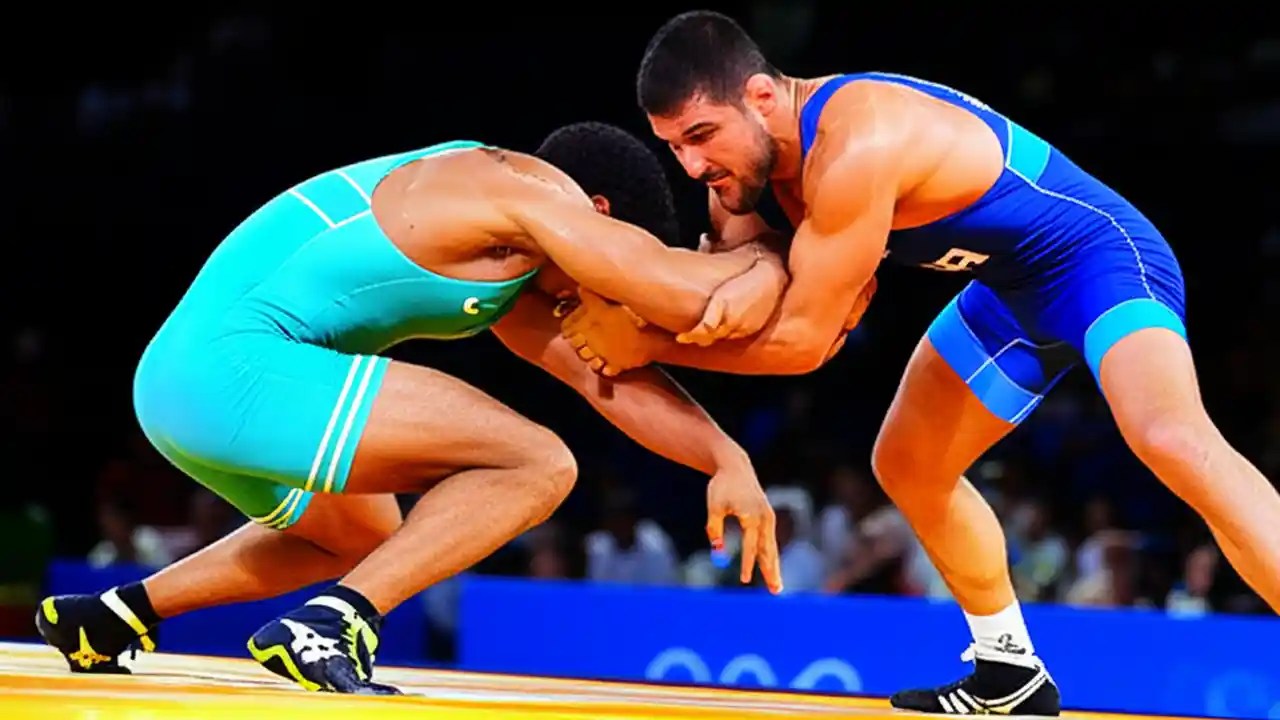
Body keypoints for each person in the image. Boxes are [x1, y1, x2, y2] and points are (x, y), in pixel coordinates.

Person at [557, 10, 1280, 716]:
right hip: (1008, 290)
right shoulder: (744, 179)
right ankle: (1011, 673)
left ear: (763, 96)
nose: (692, 166)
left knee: (1171, 437)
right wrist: (697, 295)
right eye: (675, 146)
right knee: (908, 464)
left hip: (1099, 258)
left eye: (702, 136)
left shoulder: (857, 142)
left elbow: (805, 344)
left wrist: (651, 342)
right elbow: (720, 287)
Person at [34, 121, 784, 695]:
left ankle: (113, 615)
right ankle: (336, 623)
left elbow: (605, 381)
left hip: (182, 387)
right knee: (537, 462)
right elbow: (681, 294)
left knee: (363, 535)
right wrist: (766, 258)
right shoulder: (519, 192)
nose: (589, 300)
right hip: (233, 370)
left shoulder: (509, 258)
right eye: (602, 276)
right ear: (597, 212)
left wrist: (727, 458)